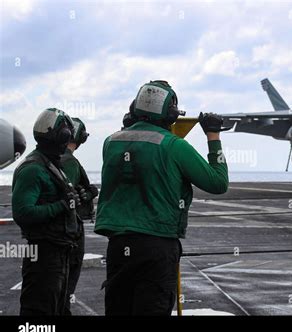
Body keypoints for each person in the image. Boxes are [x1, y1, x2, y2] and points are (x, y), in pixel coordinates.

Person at [95, 80, 229, 315]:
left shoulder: (111, 142)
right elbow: (217, 183)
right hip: (156, 246)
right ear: (171, 113)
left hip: (118, 245)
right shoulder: (173, 146)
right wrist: (213, 135)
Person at [12, 108, 81, 315]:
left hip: (58, 252)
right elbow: (23, 213)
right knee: (39, 311)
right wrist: (61, 206)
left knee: (57, 309)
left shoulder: (50, 164)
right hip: (44, 255)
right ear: (62, 137)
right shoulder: (34, 169)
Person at [60, 117, 99, 315]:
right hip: (69, 232)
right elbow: (69, 197)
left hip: (57, 232)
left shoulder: (51, 158)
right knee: (65, 289)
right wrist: (89, 193)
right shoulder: (69, 161)